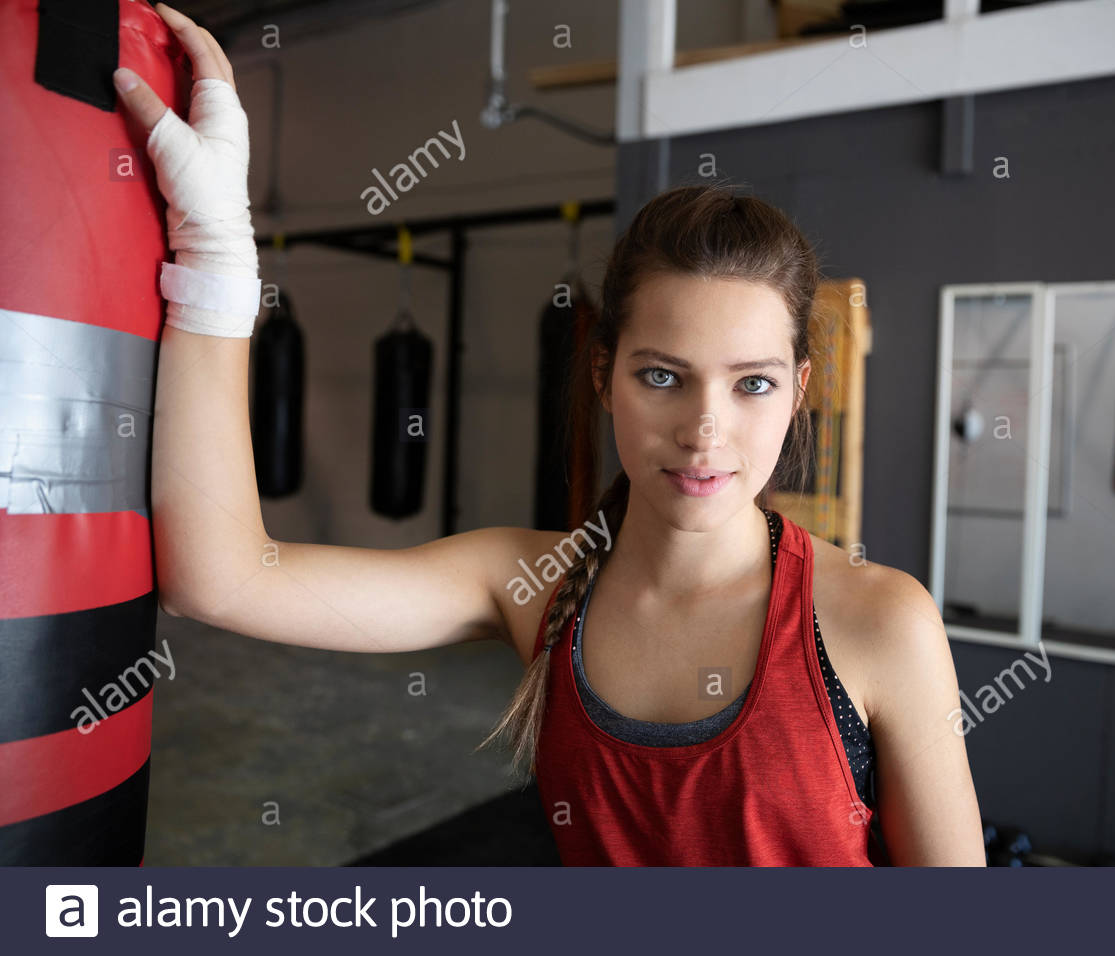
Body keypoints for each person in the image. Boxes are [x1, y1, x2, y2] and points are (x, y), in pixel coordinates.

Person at [116, 3, 984, 866]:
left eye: (751, 384)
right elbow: (221, 580)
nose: (704, 429)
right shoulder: (531, 587)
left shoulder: (879, 622)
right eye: (662, 376)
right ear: (603, 374)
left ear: (798, 392)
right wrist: (217, 254)